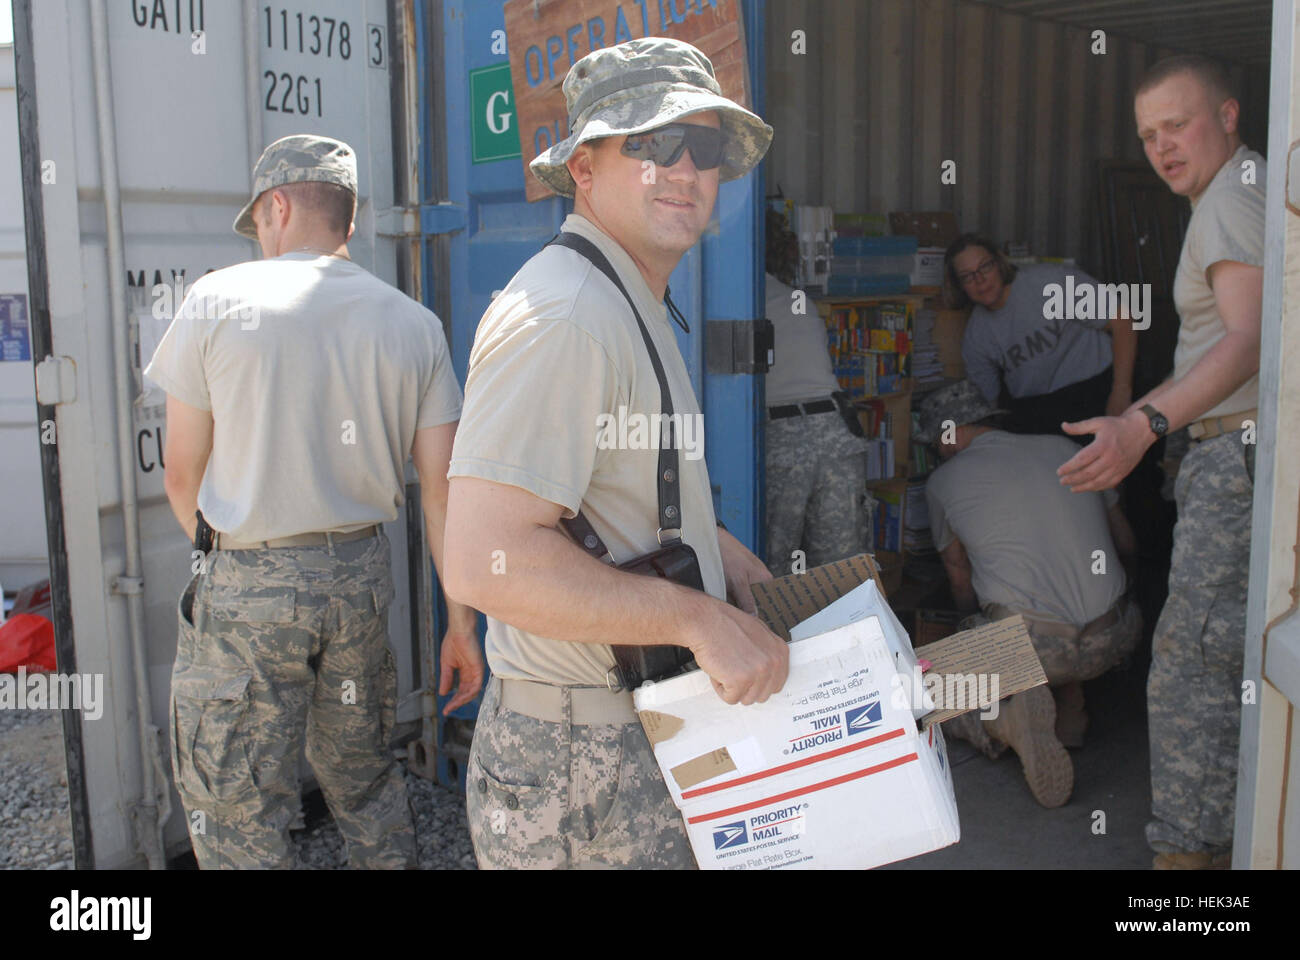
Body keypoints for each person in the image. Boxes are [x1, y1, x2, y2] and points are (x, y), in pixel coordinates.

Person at [442, 38, 787, 870]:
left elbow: (620, 501)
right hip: (579, 765)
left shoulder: (626, 297)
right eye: (651, 143)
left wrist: (729, 563)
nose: (684, 168)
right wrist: (702, 619)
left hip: (629, 734)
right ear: (584, 171)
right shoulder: (565, 317)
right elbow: (486, 563)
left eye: (702, 147)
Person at [146, 134, 484, 869]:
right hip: (361, 581)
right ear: (351, 222)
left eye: (261, 224)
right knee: (364, 782)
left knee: (237, 806)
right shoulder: (413, 323)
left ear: (277, 206)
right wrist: (461, 623)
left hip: (249, 586)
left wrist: (218, 551)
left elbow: (180, 474)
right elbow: (445, 493)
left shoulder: (214, 302)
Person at [1057, 54, 1264, 870]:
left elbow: (1246, 344)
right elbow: (1226, 341)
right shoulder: (1239, 194)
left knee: (1192, 665)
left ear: (1230, 114)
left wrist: (1143, 425)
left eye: (1178, 124)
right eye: (1148, 135)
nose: (1163, 147)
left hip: (1236, 460)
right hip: (1228, 455)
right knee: (1220, 656)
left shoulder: (1230, 204)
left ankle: (1189, 868)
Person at [917, 380, 1142, 808]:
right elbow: (1126, 543)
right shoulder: (1064, 449)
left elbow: (960, 579)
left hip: (1032, 648)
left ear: (948, 435)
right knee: (1061, 600)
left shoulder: (944, 481)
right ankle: (1069, 709)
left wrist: (970, 635)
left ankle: (1005, 722)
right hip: (1114, 637)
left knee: (922, 685)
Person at [944, 234, 1137, 443]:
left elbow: (1123, 320)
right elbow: (988, 407)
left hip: (1096, 390)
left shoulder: (1050, 281)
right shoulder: (976, 337)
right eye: (967, 276)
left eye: (985, 267)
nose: (980, 280)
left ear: (999, 262)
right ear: (959, 286)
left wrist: (1120, 392)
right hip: (1037, 412)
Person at [763, 208, 869, 577]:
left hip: (781, 438)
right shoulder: (797, 299)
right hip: (836, 431)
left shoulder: (729, 297)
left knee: (771, 571)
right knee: (841, 572)